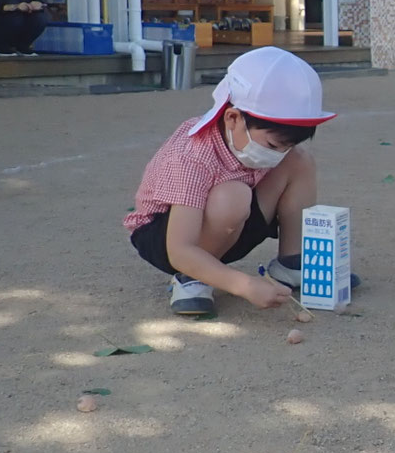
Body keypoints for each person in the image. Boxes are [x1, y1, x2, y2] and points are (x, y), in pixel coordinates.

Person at [124, 46, 339, 319]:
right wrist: (244, 285)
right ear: (233, 117)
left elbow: (286, 154)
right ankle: (193, 279)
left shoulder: (257, 145)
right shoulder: (190, 157)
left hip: (232, 220)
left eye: (285, 146)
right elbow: (178, 249)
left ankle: (291, 263)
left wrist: (286, 151)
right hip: (168, 238)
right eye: (273, 144)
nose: (277, 154)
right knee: (233, 196)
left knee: (299, 160)